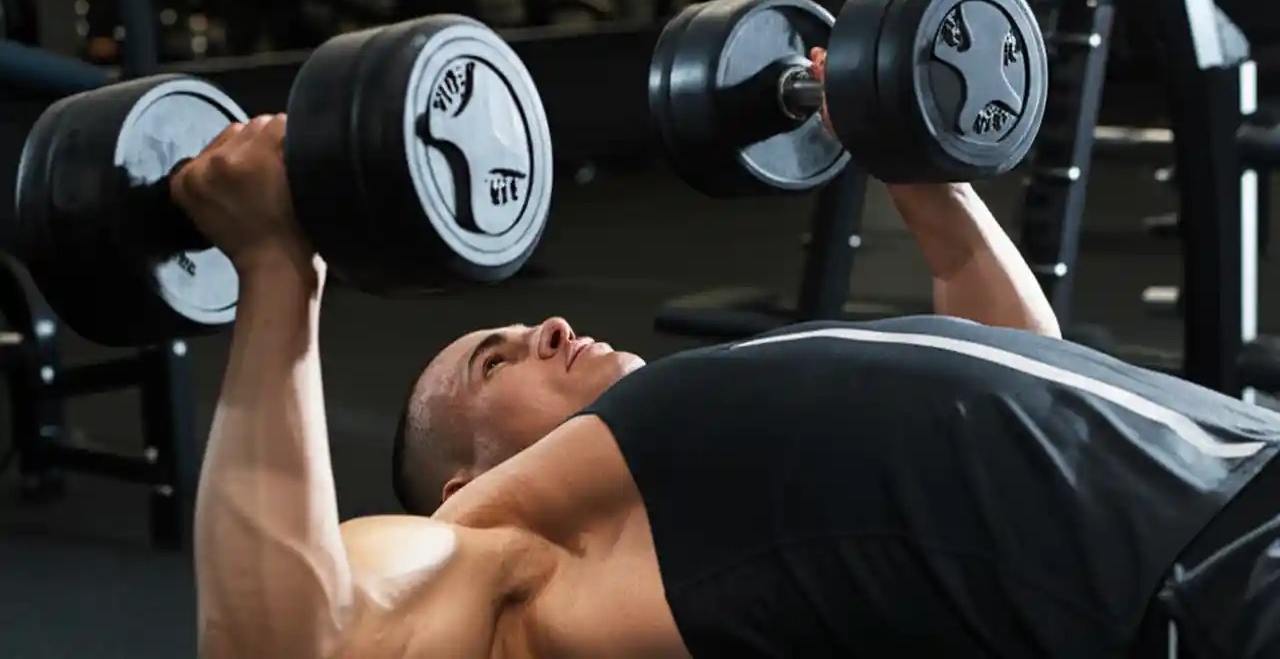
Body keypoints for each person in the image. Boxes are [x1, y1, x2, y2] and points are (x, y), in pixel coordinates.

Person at [184, 50, 1280, 659]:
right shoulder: (495, 544)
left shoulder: (734, 421)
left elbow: (1015, 365)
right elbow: (295, 642)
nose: (551, 327)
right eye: (496, 360)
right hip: (1205, 588)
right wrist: (279, 274)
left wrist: (911, 166)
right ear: (458, 484)